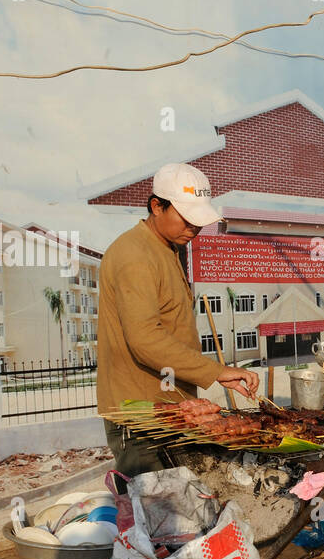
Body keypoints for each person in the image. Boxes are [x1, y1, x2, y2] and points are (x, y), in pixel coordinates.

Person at [97, 162, 257, 476]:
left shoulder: (167, 249)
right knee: (158, 513)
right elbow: (145, 339)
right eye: (186, 219)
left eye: (198, 221)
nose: (193, 229)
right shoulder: (134, 255)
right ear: (157, 206)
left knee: (184, 509)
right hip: (143, 415)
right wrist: (216, 371)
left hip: (172, 408)